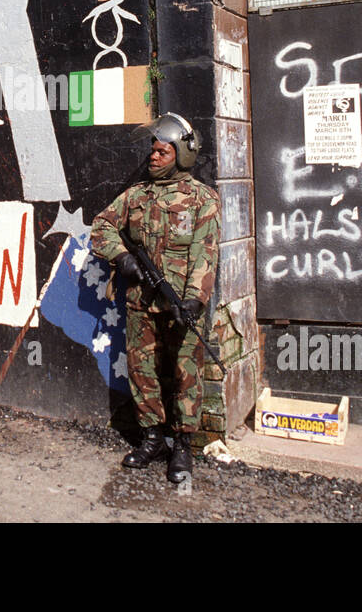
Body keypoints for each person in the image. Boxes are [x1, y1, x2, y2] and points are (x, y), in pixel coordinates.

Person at [90, 113, 220, 484]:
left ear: (182, 154)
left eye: (163, 151)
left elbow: (205, 253)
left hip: (181, 305)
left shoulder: (201, 199)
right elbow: (101, 226)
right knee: (141, 370)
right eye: (153, 150)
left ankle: (182, 444)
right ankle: (152, 438)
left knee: (185, 373)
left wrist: (194, 300)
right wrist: (123, 257)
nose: (154, 157)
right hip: (140, 303)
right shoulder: (136, 195)